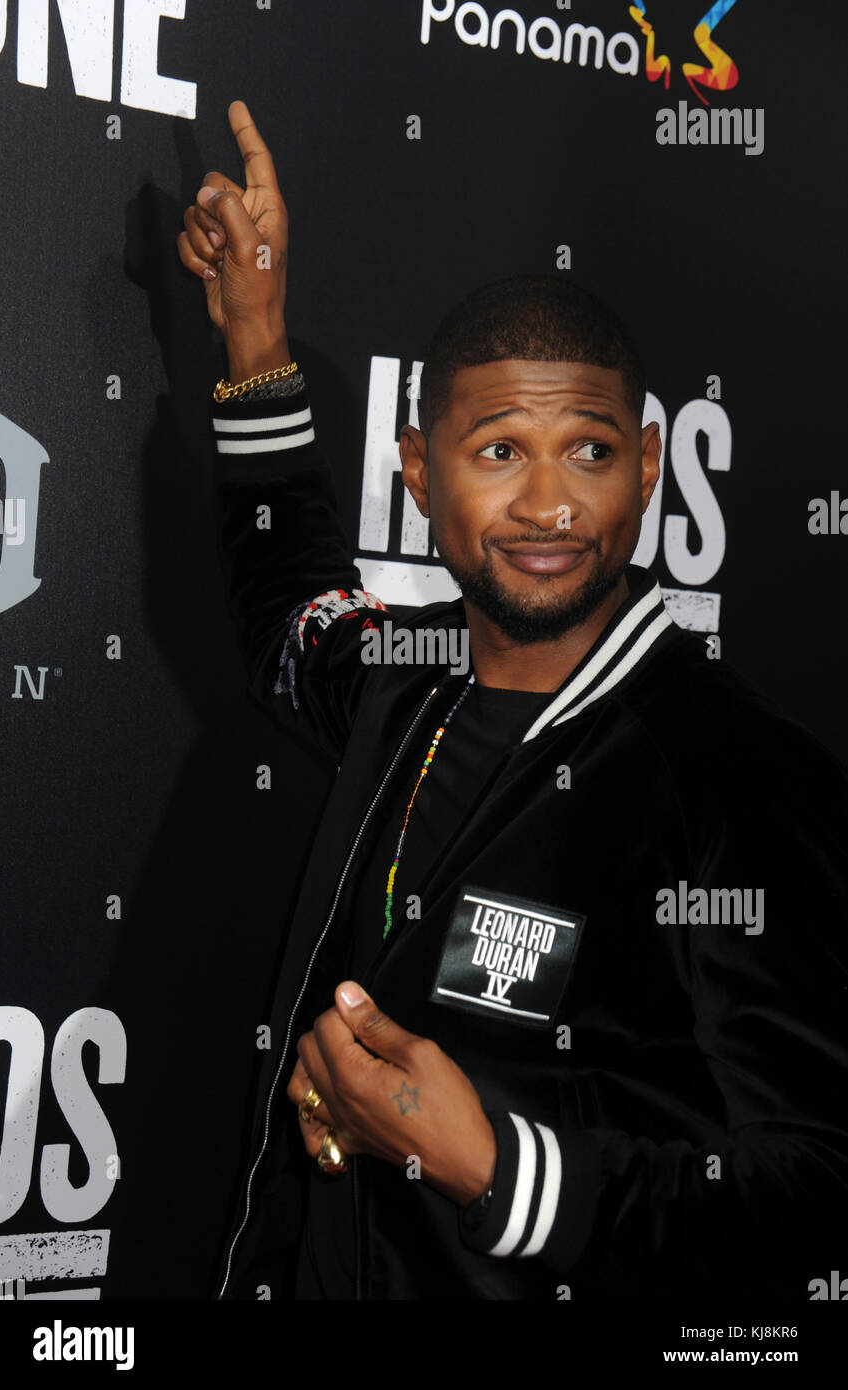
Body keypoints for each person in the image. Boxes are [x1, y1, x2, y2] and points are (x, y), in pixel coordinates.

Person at [177, 100, 848, 1302]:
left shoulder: (740, 775)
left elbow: (813, 1192)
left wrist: (500, 1168)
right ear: (419, 473)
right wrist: (255, 332)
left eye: (588, 452)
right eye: (497, 451)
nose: (549, 505)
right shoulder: (404, 678)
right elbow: (291, 614)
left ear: (648, 469)